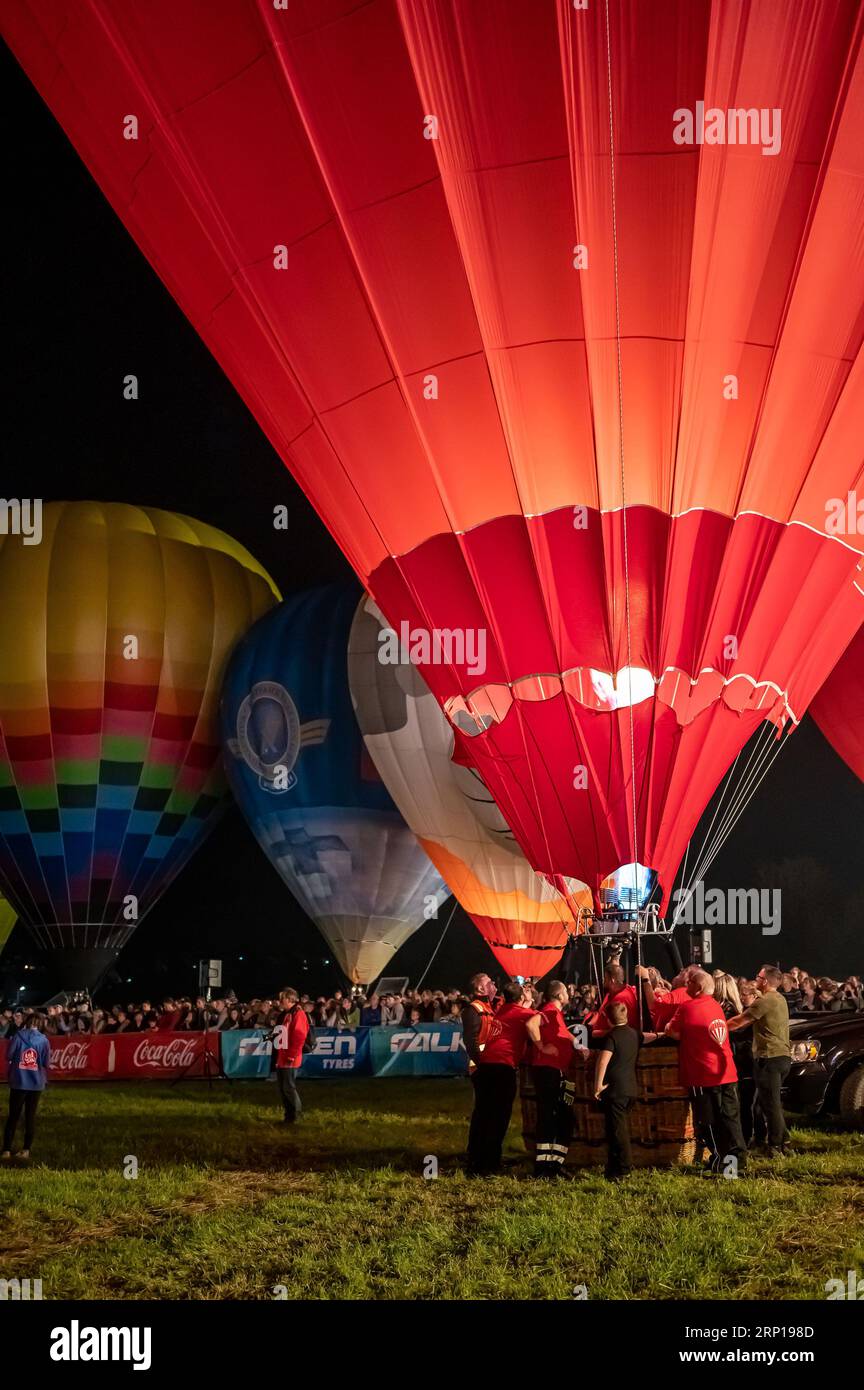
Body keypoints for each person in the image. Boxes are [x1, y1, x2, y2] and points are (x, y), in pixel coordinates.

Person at [666, 970, 746, 1176]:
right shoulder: (716, 1006)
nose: (686, 985)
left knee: (708, 1121)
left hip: (702, 1073)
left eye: (690, 982)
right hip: (726, 1071)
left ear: (698, 988)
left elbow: (672, 1032)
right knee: (730, 1117)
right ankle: (738, 1158)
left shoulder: (687, 1007)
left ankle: (721, 1161)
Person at [464, 981, 535, 1175]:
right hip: (503, 1069)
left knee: (483, 1114)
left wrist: (524, 1000)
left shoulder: (502, 1011)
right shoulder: (522, 1014)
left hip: (485, 1068)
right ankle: (490, 1164)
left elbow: (516, 1012)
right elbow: (537, 1020)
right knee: (499, 1117)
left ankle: (475, 1161)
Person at [727, 964, 792, 1156]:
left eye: (758, 976)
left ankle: (775, 1146)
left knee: (769, 1105)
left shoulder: (765, 1001)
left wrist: (716, 1026)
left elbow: (739, 1021)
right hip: (782, 1057)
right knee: (770, 1103)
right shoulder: (780, 998)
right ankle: (785, 1141)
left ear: (764, 981)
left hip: (769, 1058)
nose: (756, 980)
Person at [525, 980, 577, 1177]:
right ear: (558, 995)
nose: (569, 994)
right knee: (551, 1115)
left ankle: (552, 1164)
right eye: (566, 991)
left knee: (559, 1115)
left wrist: (577, 1044)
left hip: (554, 1071)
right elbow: (531, 1024)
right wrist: (541, 1046)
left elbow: (563, 1034)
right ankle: (546, 1166)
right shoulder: (550, 1011)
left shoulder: (556, 1015)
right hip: (548, 1070)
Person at [593, 1000, 641, 1181]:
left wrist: (597, 1085)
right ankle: (612, 1169)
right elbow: (647, 1036)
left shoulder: (612, 1037)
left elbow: (603, 1060)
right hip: (631, 1089)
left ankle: (624, 1169)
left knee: (618, 1132)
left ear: (607, 1018)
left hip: (615, 1090)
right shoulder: (633, 1034)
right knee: (614, 1129)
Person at [2, 1011, 50, 1162]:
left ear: (27, 1022)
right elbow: (45, 1063)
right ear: (41, 1024)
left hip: (19, 1082)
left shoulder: (18, 1036)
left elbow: (8, 1055)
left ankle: (6, 1150)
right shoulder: (43, 1040)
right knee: (30, 1117)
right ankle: (26, 1150)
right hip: (36, 1083)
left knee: (13, 1116)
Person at [274, 987, 310, 1124]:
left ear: (289, 999)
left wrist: (291, 1055)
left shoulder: (298, 1014)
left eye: (282, 998)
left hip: (290, 1058)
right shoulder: (288, 1013)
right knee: (283, 1088)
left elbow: (299, 1036)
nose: (280, 1001)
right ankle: (289, 1115)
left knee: (288, 1087)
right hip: (283, 1057)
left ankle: (296, 1114)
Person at [588, 963, 640, 1036]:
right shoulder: (612, 993)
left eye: (605, 977)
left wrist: (595, 1033)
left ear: (612, 980)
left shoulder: (621, 998)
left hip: (608, 1040)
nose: (603, 980)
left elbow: (619, 1030)